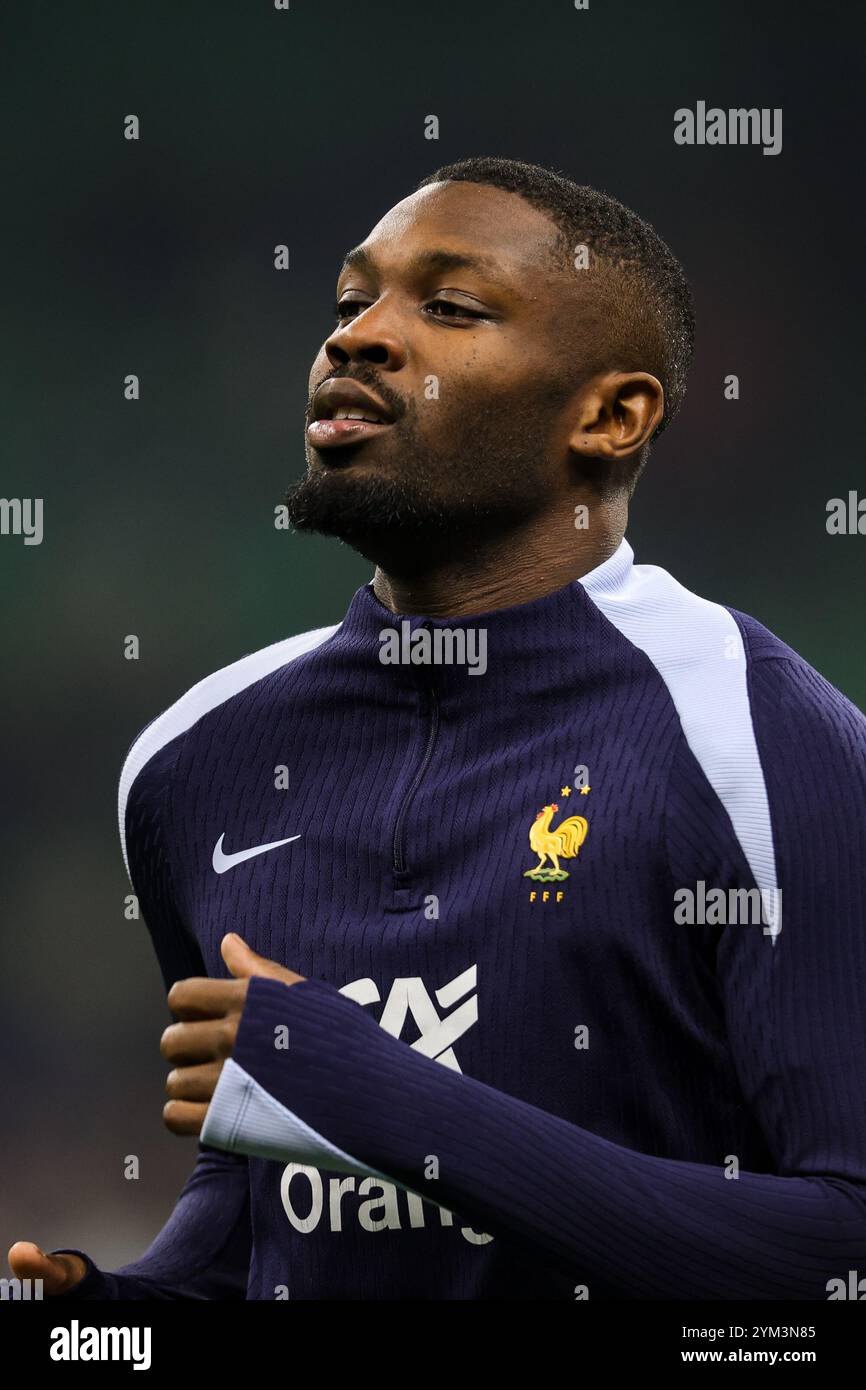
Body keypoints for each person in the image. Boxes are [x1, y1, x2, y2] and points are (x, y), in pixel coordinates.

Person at [10, 157, 866, 1300]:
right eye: (348, 302)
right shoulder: (191, 760)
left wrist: (386, 1096)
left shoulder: (756, 740)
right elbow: (251, 1216)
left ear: (611, 416)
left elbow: (840, 1249)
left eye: (448, 307)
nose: (358, 336)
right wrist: (105, 1314)